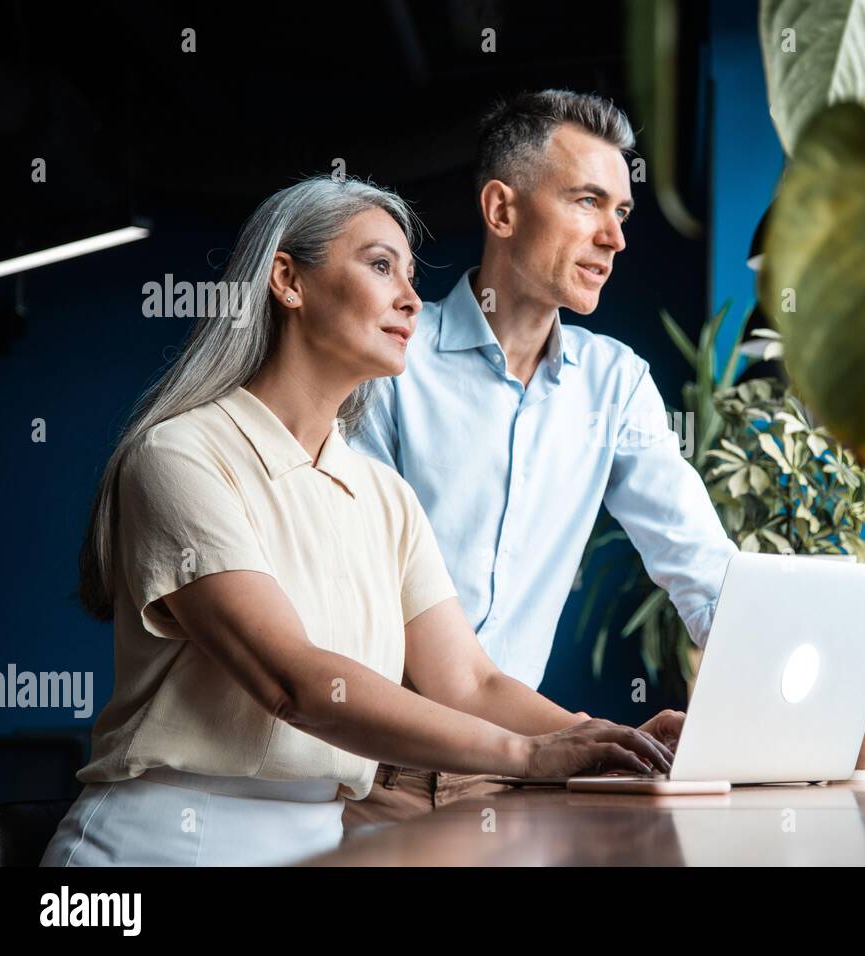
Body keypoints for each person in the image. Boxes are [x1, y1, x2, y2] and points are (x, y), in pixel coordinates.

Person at [346, 90, 865, 827]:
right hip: (379, 775)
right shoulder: (388, 367)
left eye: (623, 212)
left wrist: (838, 732)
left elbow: (707, 578)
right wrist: (600, 741)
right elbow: (417, 651)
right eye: (587, 201)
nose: (614, 237)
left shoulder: (614, 384)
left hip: (518, 784)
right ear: (501, 210)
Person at [41, 177, 671, 867]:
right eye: (379, 266)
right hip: (164, 843)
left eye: (410, 274)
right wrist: (528, 755)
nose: (409, 298)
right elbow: (295, 682)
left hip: (323, 838)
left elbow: (469, 683)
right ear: (288, 280)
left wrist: (614, 740)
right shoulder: (180, 454)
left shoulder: (384, 497)